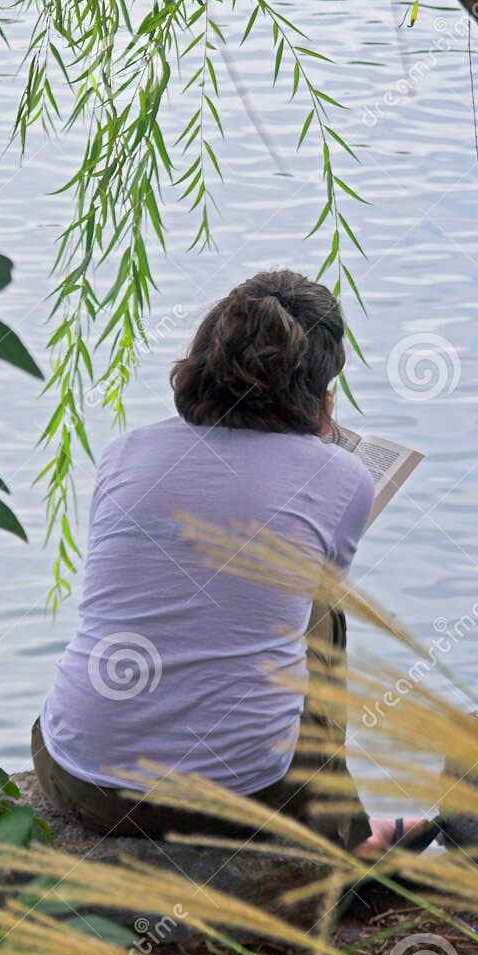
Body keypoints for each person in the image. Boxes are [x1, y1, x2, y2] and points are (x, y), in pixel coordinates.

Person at [32, 269, 378, 853]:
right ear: (317, 392)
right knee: (321, 609)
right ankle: (343, 837)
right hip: (238, 800)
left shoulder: (126, 453)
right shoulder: (341, 475)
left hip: (76, 776)